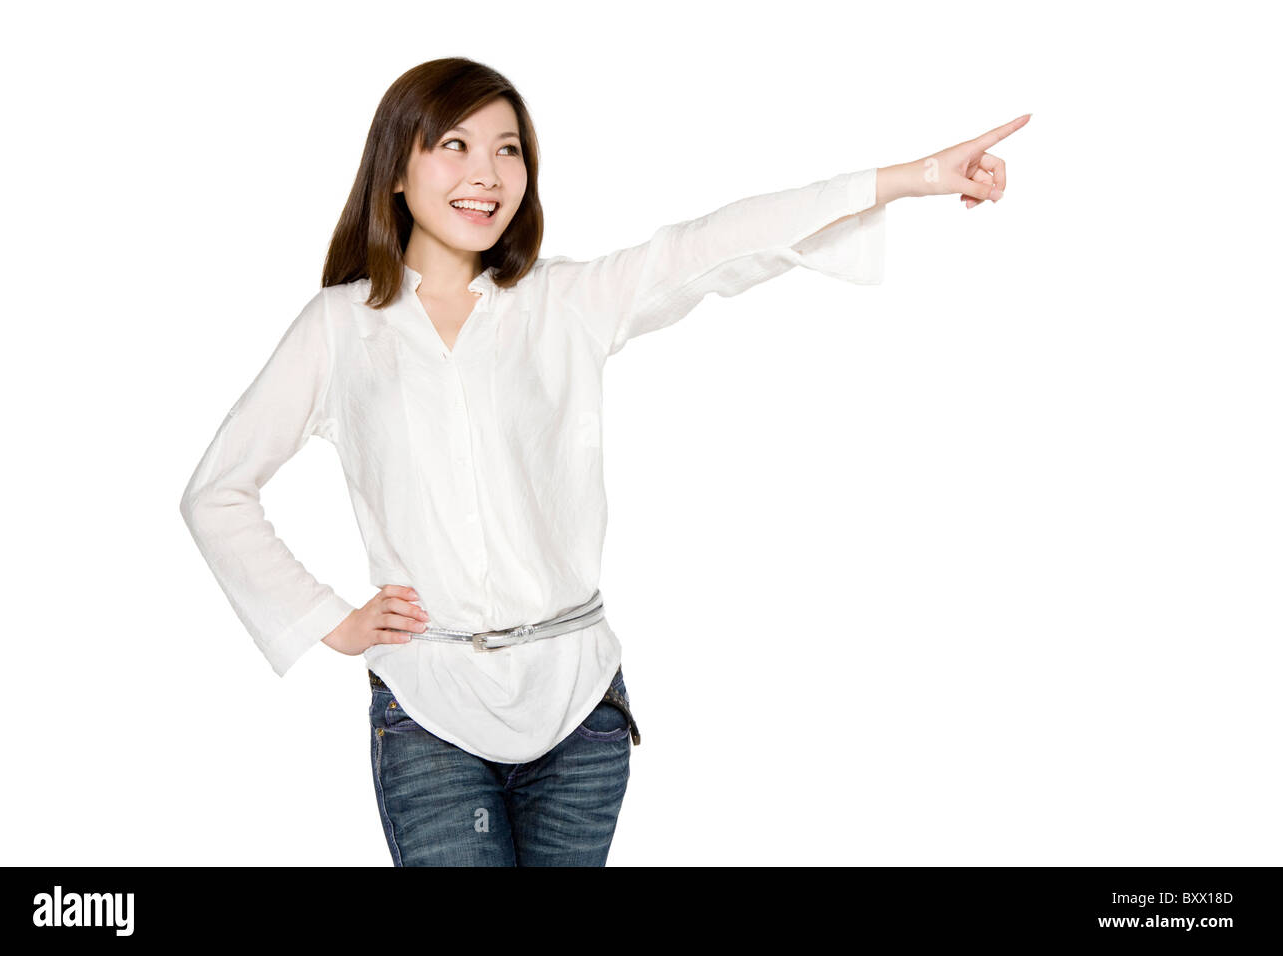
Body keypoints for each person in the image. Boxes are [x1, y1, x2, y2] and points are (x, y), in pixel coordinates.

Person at [179, 56, 1030, 866]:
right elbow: (217, 492)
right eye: (456, 145)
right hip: (430, 709)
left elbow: (711, 246)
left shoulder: (563, 302)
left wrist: (907, 179)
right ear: (396, 170)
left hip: (578, 701)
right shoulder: (339, 326)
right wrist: (326, 617)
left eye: (508, 150)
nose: (488, 173)